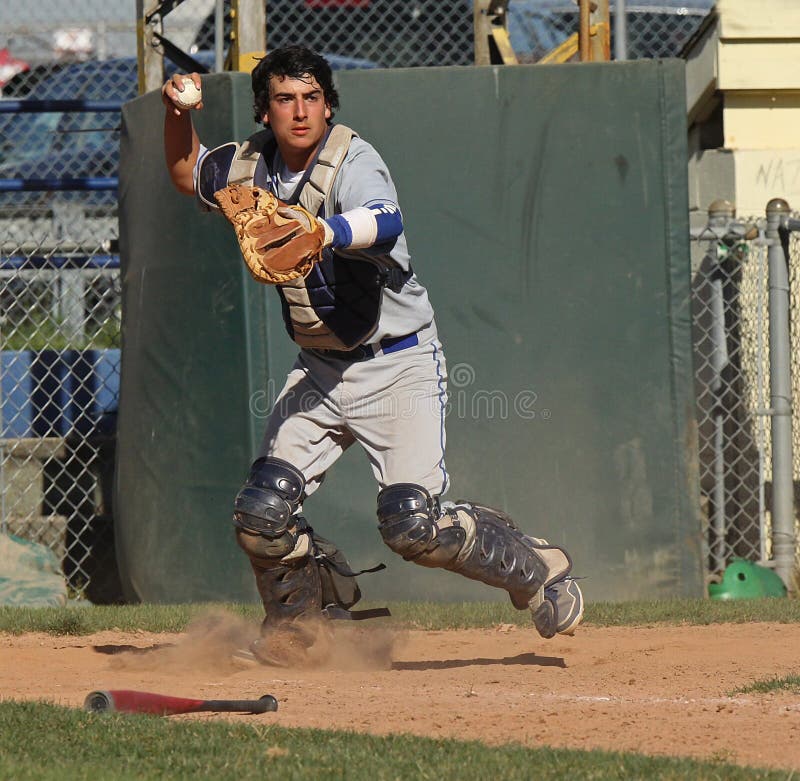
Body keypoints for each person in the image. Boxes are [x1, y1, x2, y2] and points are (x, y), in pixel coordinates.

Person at [161, 44, 584, 665]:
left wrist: (321, 231)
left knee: (413, 526)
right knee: (260, 513)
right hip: (322, 370)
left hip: (398, 364)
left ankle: (537, 567)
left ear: (328, 104)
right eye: (285, 99)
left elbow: (384, 222)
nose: (301, 111)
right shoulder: (250, 166)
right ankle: (300, 634)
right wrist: (176, 114)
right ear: (265, 109)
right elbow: (185, 171)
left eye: (312, 98)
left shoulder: (353, 160)